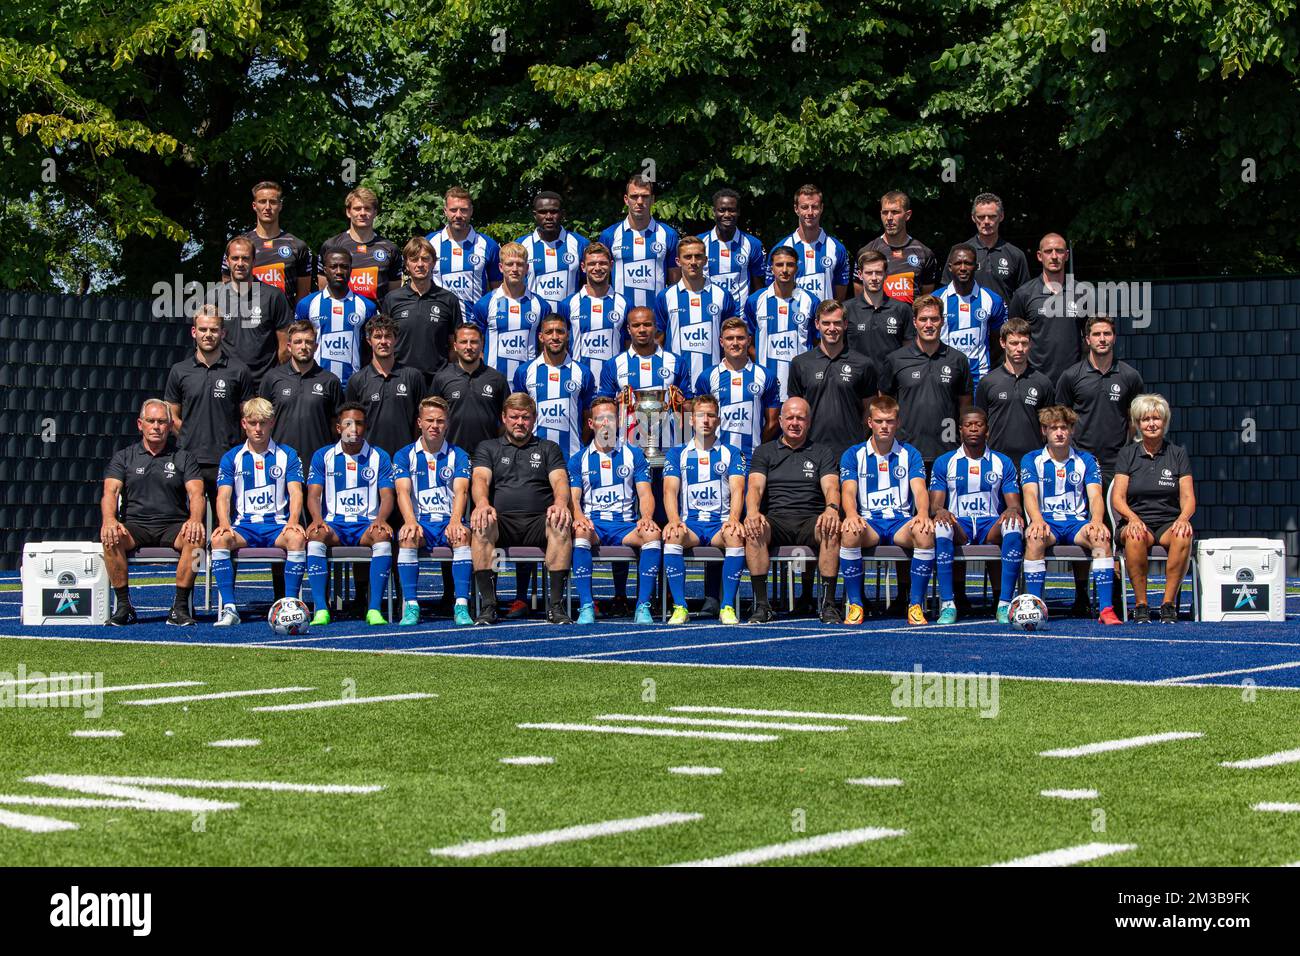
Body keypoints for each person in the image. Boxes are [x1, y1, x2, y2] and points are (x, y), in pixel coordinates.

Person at [469, 392, 573, 625]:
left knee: (561, 523)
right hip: (502, 522)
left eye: (525, 417)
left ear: (534, 419)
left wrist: (560, 503)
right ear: (504, 418)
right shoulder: (488, 447)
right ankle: (488, 606)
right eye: (514, 417)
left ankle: (555, 607)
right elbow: (480, 479)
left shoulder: (548, 448)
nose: (520, 423)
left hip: (539, 522)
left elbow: (559, 481)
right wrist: (483, 503)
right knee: (482, 524)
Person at [100, 399, 206, 626]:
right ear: (140, 424)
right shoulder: (124, 457)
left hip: (173, 525)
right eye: (151, 421)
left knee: (198, 541)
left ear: (170, 426)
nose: (156, 426)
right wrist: (109, 520)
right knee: (110, 538)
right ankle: (123, 606)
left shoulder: (184, 457)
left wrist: (195, 520)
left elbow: (197, 494)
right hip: (135, 526)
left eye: (162, 422)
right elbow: (110, 492)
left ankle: (180, 607)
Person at [1020, 405, 1122, 625]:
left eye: (1064, 428)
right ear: (1044, 431)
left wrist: (1096, 521)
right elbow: (1029, 493)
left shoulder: (1086, 460)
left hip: (1076, 523)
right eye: (1053, 428)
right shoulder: (1031, 459)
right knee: (1034, 537)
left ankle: (1106, 610)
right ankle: (1035, 606)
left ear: (1072, 430)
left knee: (1101, 537)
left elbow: (1095, 496)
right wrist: (1036, 520)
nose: (1059, 432)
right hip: (1048, 523)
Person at [744, 398, 843, 623]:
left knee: (831, 529)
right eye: (790, 417)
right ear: (780, 421)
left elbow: (831, 486)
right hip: (776, 520)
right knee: (753, 530)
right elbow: (755, 487)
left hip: (812, 520)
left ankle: (827, 605)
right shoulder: (764, 451)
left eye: (800, 418)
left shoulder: (822, 452)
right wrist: (752, 512)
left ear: (809, 422)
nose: (795, 422)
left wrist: (831, 509)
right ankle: (762, 606)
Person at [839, 396, 936, 625]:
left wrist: (922, 514)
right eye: (880, 421)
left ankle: (915, 605)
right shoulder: (853, 454)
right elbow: (848, 491)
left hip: (900, 522)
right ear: (870, 422)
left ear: (898, 422)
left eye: (890, 421)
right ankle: (855, 604)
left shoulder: (909, 453)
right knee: (850, 532)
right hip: (869, 522)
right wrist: (852, 515)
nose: (885, 426)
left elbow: (920, 490)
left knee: (924, 532)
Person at [210, 398, 308, 626]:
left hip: (277, 526)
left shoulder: (287, 455)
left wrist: (293, 520)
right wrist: (224, 522)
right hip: (244, 527)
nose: (258, 429)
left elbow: (296, 493)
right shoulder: (231, 457)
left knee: (296, 536)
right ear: (244, 423)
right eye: (253, 423)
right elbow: (223, 496)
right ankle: (230, 608)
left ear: (272, 423)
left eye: (263, 423)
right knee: (219, 538)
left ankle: (289, 605)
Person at [569, 397, 662, 625]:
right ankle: (587, 605)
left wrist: (646, 518)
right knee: (579, 533)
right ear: (591, 424)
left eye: (610, 418)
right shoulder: (578, 459)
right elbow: (573, 497)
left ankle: (642, 606)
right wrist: (579, 517)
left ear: (618, 422)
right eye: (600, 419)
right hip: (595, 526)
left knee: (652, 534)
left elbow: (645, 494)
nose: (606, 423)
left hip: (626, 526)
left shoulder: (634, 455)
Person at [928, 408, 1025, 624]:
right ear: (960, 430)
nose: (973, 428)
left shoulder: (1003, 462)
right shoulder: (945, 462)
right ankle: (948, 604)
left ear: (987, 431)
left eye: (978, 424)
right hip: (959, 524)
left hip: (989, 524)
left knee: (1014, 525)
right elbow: (935, 505)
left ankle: (1004, 604)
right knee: (941, 526)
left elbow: (1015, 504)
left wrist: (1012, 510)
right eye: (968, 425)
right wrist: (940, 510)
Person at [305, 403, 395, 626]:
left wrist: (381, 519)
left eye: (359, 423)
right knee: (316, 535)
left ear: (366, 427)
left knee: (382, 536)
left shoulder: (379, 457)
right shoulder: (322, 456)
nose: (353, 429)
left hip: (366, 526)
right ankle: (321, 609)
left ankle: (373, 609)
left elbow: (387, 496)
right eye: (348, 424)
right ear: (338, 428)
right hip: (334, 525)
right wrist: (317, 519)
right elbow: (314, 495)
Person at [662, 395, 748, 624]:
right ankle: (680, 607)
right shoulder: (677, 453)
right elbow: (670, 491)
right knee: (672, 535)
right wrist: (673, 520)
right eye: (701, 416)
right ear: (691, 420)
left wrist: (733, 519)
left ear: (718, 420)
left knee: (736, 535)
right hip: (690, 525)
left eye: (711, 415)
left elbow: (738, 490)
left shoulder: (732, 453)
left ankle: (727, 606)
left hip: (719, 525)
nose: (706, 421)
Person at [1111, 394, 1195, 623]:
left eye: (1156, 418)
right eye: (1145, 419)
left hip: (1168, 522)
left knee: (1183, 534)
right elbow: (1117, 498)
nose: (1151, 423)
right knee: (1135, 536)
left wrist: (1184, 518)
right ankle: (1141, 605)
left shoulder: (1177, 454)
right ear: (1138, 424)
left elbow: (1188, 497)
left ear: (1164, 422)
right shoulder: (1127, 454)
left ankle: (1168, 604)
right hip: (1137, 521)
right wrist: (1132, 519)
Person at [164, 305, 256, 509]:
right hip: (188, 459)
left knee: (224, 527)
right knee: (188, 524)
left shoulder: (239, 370)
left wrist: (232, 442)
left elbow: (248, 417)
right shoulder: (179, 371)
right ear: (194, 332)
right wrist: (188, 438)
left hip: (227, 459)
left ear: (222, 333)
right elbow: (170, 416)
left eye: (214, 330)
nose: (208, 335)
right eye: (203, 329)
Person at [393, 397, 474, 626]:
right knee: (407, 535)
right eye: (429, 420)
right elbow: (402, 492)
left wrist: (456, 520)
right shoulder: (404, 455)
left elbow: (462, 491)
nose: (434, 426)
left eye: (440, 421)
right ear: (419, 422)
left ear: (447, 424)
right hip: (421, 522)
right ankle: (411, 606)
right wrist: (410, 521)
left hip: (448, 520)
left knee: (462, 535)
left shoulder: (458, 455)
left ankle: (461, 606)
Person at [879, 295, 973, 465]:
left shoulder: (958, 360)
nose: (929, 325)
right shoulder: (895, 359)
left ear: (942, 321)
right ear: (914, 322)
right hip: (905, 450)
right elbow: (884, 404)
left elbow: (964, 407)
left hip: (948, 451)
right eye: (923, 319)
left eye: (934, 319)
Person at [1055, 315, 1145, 481]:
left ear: (1114, 337)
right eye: (1096, 334)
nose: (1102, 339)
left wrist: (1126, 449)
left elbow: (1135, 420)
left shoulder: (1130, 376)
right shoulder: (1071, 376)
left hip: (1119, 464)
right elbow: (1061, 419)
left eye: (1107, 333)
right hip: (1080, 461)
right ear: (1088, 339)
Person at [787, 300, 879, 459]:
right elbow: (795, 410)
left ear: (845, 324)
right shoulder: (800, 363)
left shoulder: (864, 364)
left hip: (851, 451)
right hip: (809, 450)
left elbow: (869, 412)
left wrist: (857, 440)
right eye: (826, 323)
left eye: (837, 323)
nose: (831, 328)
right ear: (817, 324)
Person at [259, 321, 346, 484]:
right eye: (298, 342)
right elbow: (261, 421)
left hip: (318, 465)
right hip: (280, 463)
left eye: (309, 342)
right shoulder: (272, 378)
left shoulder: (330, 381)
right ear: (289, 346)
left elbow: (338, 426)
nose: (304, 346)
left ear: (316, 346)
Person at [655, 234, 739, 389]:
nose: (693, 262)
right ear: (678, 261)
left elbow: (731, 339)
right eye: (688, 257)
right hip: (676, 385)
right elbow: (658, 339)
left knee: (706, 415)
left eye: (698, 257)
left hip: (713, 383)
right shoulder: (665, 296)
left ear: (705, 260)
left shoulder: (722, 295)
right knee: (680, 415)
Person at [1007, 233, 1088, 386]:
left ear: (1067, 255)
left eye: (1059, 251)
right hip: (1033, 380)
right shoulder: (1024, 294)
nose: (1054, 256)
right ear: (1039, 256)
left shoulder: (1082, 293)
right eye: (1048, 251)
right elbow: (1013, 337)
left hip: (1073, 381)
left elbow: (1091, 338)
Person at [209, 236, 292, 386]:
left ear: (254, 261)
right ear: (227, 261)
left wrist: (273, 379)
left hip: (263, 384)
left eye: (245, 258)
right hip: (224, 382)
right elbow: (206, 341)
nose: (240, 263)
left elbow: (285, 347)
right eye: (235, 258)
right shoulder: (214, 296)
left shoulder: (273, 296)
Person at [974, 318, 1055, 467]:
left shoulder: (1043, 383)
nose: (1020, 349)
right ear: (1003, 343)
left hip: (1033, 462)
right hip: (996, 461)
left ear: (1030, 344)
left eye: (1024, 343)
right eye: (1014, 343)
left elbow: (1049, 427)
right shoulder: (988, 382)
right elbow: (980, 425)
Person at [381, 236, 463, 383]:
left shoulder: (448, 299)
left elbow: (454, 346)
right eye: (414, 259)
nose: (420, 264)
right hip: (400, 379)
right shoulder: (392, 299)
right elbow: (384, 341)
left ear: (433, 263)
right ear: (406, 265)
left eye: (425, 259)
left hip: (438, 380)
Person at [513, 315, 596, 459]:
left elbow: (589, 416)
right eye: (549, 332)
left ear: (568, 335)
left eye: (560, 331)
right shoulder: (524, 371)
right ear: (541, 337)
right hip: (533, 456)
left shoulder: (583, 372)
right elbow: (517, 414)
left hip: (572, 456)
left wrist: (579, 444)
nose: (555, 337)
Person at [222, 180, 314, 305]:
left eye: (273, 202)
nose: (267, 207)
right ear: (254, 206)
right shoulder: (238, 246)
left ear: (280, 205)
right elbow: (228, 288)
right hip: (248, 318)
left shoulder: (298, 246)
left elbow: (303, 295)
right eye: (262, 201)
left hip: (285, 322)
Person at [345, 314, 427, 456]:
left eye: (388, 336)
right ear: (369, 340)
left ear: (396, 339)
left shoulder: (413, 377)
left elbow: (422, 421)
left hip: (406, 459)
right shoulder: (357, 380)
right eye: (377, 336)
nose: (383, 341)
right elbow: (350, 424)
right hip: (368, 459)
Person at [695, 317, 779, 455]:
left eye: (740, 338)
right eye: (729, 338)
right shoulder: (707, 376)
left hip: (752, 458)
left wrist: (757, 447)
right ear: (721, 342)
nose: (735, 343)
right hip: (716, 456)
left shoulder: (765, 375)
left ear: (749, 340)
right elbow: (697, 419)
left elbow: (773, 422)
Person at [745, 245, 818, 401]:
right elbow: (748, 341)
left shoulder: (811, 301)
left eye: (790, 265)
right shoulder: (755, 300)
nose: (784, 270)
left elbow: (817, 341)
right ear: (771, 268)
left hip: (801, 384)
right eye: (779, 265)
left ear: (797, 268)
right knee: (768, 425)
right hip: (765, 384)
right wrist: (760, 362)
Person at [472, 240, 551, 384]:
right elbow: (476, 344)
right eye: (509, 264)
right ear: (501, 268)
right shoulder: (485, 303)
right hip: (493, 383)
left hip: (528, 382)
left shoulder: (541, 305)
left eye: (520, 264)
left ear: (527, 268)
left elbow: (545, 347)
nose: (515, 269)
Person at [295, 247, 374, 389]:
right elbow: (297, 346)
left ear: (351, 269)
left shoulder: (367, 306)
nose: (339, 271)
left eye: (344, 267)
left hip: (353, 386)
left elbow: (371, 349)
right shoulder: (307, 304)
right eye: (333, 267)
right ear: (325, 270)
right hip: (315, 385)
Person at [598, 174, 680, 309]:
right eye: (634, 196)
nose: (640, 201)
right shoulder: (609, 235)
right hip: (619, 317)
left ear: (653, 199)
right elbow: (601, 280)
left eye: (645, 196)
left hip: (655, 319)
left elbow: (674, 284)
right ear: (626, 199)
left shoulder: (668, 234)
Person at [933, 243, 1008, 389]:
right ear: (950, 267)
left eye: (967, 263)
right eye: (958, 263)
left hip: (979, 380)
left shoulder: (992, 299)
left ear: (976, 266)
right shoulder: (936, 299)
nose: (962, 268)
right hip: (942, 376)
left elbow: (998, 342)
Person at [429, 323, 509, 455]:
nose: (468, 347)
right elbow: (431, 417)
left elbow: (507, 420)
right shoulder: (442, 378)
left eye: (474, 342)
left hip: (488, 456)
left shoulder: (497, 379)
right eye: (463, 342)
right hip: (450, 455)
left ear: (482, 344)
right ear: (455, 346)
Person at [558, 242, 629, 387]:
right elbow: (561, 346)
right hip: (578, 384)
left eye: (602, 263)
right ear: (583, 267)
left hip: (614, 385)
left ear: (611, 265)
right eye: (592, 264)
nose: (597, 268)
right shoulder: (568, 304)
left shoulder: (625, 303)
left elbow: (629, 346)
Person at [766, 183, 849, 302]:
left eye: (814, 207)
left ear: (821, 208)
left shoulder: (836, 248)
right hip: (793, 317)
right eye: (804, 207)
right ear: (796, 209)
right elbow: (771, 290)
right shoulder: (781, 248)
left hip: (824, 319)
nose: (810, 213)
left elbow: (840, 296)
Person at [941, 192, 1031, 301]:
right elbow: (946, 291)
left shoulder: (1015, 254)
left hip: (1004, 317)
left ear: (1001, 216)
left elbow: (1024, 296)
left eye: (992, 216)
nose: (986, 221)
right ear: (973, 218)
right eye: (981, 217)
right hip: (966, 315)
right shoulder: (959, 252)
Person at [426, 186, 502, 313]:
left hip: (474, 326)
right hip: (438, 321)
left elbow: (499, 290)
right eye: (453, 210)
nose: (458, 215)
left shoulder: (487, 245)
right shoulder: (430, 242)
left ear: (471, 211)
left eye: (464, 210)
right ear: (445, 211)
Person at [317, 187, 401, 301]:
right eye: (357, 209)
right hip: (340, 316)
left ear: (375, 212)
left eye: (367, 208)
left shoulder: (390, 248)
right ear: (348, 212)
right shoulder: (331, 246)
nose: (362, 213)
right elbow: (323, 290)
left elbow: (394, 295)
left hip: (377, 318)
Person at [861, 190, 940, 305]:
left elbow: (926, 299)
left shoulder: (924, 253)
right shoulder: (867, 251)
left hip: (909, 321)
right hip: (877, 321)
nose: (889, 217)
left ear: (907, 215)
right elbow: (860, 298)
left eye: (895, 212)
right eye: (885, 212)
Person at [843, 248, 914, 367]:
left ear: (886, 274)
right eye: (869, 273)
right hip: (856, 380)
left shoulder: (902, 309)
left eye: (879, 272)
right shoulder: (847, 309)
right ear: (860, 275)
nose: (874, 278)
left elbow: (909, 351)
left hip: (892, 381)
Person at [517, 191, 588, 307]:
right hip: (533, 320)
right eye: (543, 212)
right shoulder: (521, 246)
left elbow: (591, 284)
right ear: (535, 215)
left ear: (563, 214)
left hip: (569, 320)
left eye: (554, 212)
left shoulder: (580, 244)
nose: (548, 217)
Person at [698, 188, 766, 306]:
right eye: (722, 210)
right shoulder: (700, 243)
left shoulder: (752, 244)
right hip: (710, 316)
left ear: (738, 212)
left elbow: (758, 289)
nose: (727, 215)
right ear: (714, 211)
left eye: (732, 210)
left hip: (740, 319)